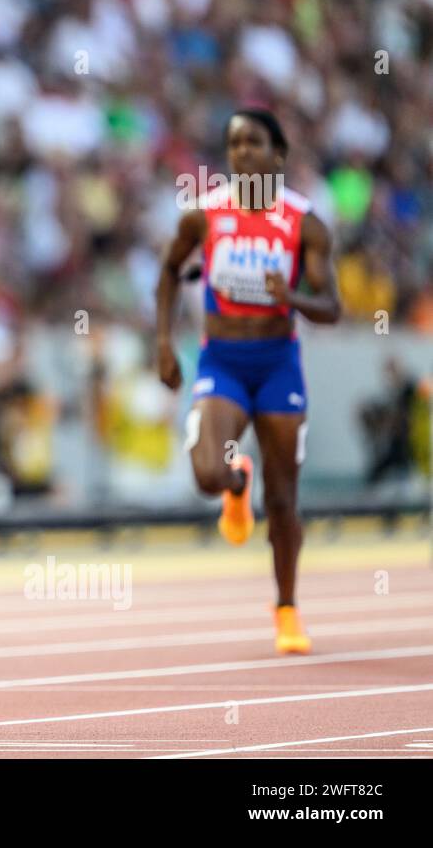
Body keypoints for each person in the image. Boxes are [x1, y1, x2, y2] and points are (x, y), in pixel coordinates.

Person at [156, 108, 340, 655]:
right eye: (233, 144)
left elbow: (332, 307)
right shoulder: (204, 216)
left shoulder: (304, 223)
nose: (241, 153)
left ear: (278, 155)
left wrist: (293, 298)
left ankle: (287, 608)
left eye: (253, 142)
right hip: (223, 362)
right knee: (208, 473)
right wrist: (164, 342)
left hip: (278, 363)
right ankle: (236, 486)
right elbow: (169, 271)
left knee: (284, 499)